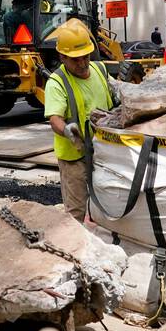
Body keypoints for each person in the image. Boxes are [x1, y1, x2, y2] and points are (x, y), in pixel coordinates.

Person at [45, 19, 117, 223]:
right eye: (75, 59)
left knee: (107, 204)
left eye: (85, 57)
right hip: (74, 157)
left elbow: (116, 99)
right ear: (62, 57)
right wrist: (67, 130)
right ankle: (76, 249)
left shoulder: (100, 71)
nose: (82, 63)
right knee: (76, 211)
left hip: (104, 152)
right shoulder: (57, 82)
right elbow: (55, 118)